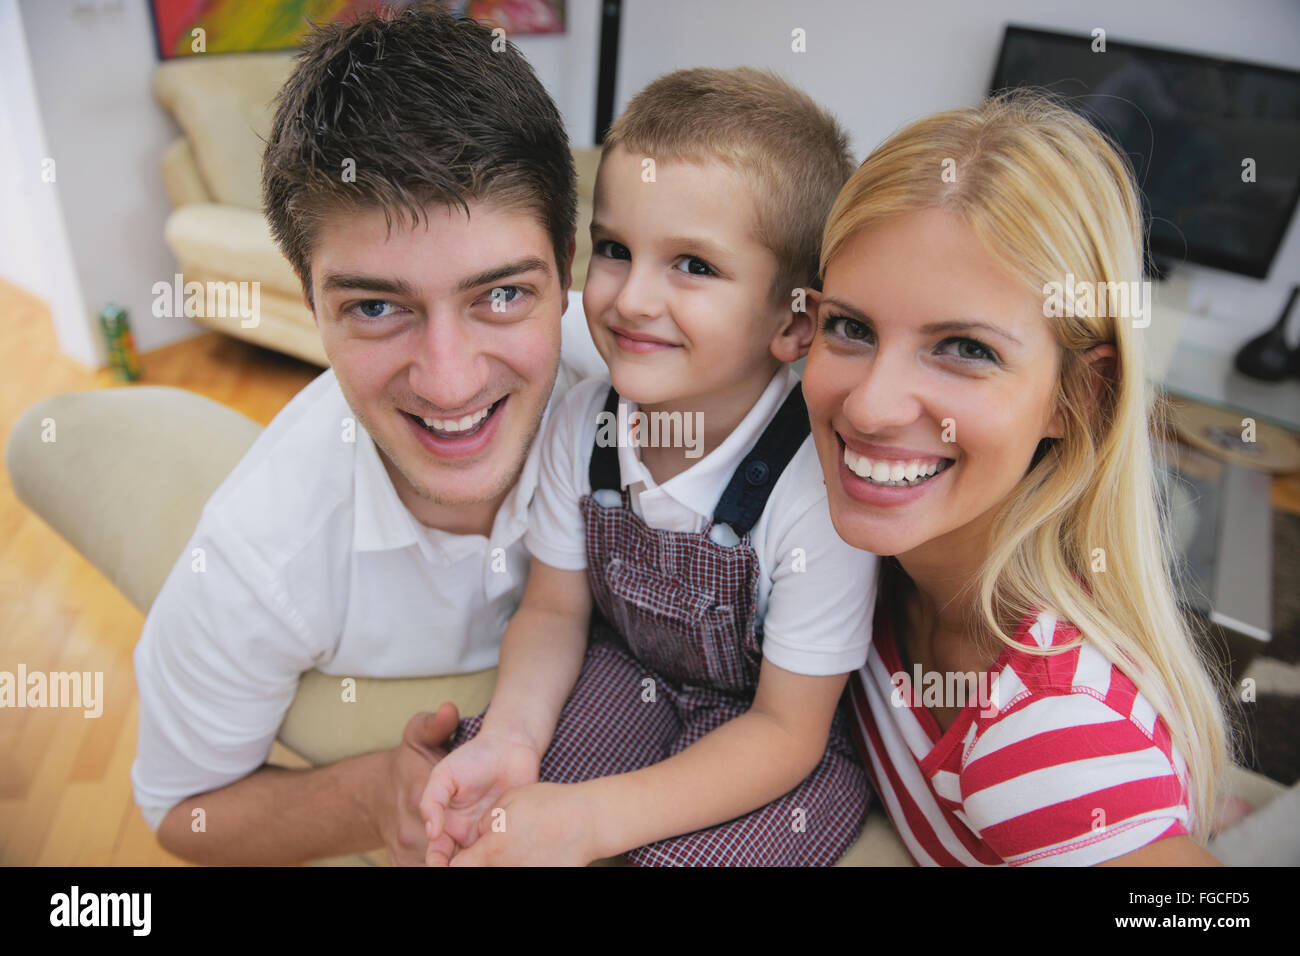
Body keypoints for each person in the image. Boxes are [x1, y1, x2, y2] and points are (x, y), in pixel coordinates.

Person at [131, 2, 578, 865]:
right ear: (310, 305)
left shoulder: (647, 394)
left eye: (503, 294)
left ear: (568, 268)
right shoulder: (257, 560)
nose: (450, 380)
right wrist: (374, 802)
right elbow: (177, 811)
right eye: (375, 306)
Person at [420, 67, 879, 866]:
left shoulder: (817, 491)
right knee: (499, 813)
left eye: (693, 266)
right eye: (614, 249)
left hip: (771, 738)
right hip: (627, 673)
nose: (630, 298)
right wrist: (515, 739)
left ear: (794, 321)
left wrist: (596, 819)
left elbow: (787, 731)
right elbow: (556, 613)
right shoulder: (579, 422)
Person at [800, 91, 1234, 866]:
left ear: (1079, 396)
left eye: (965, 348)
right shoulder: (873, 547)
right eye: (850, 327)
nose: (868, 407)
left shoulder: (1045, 729)